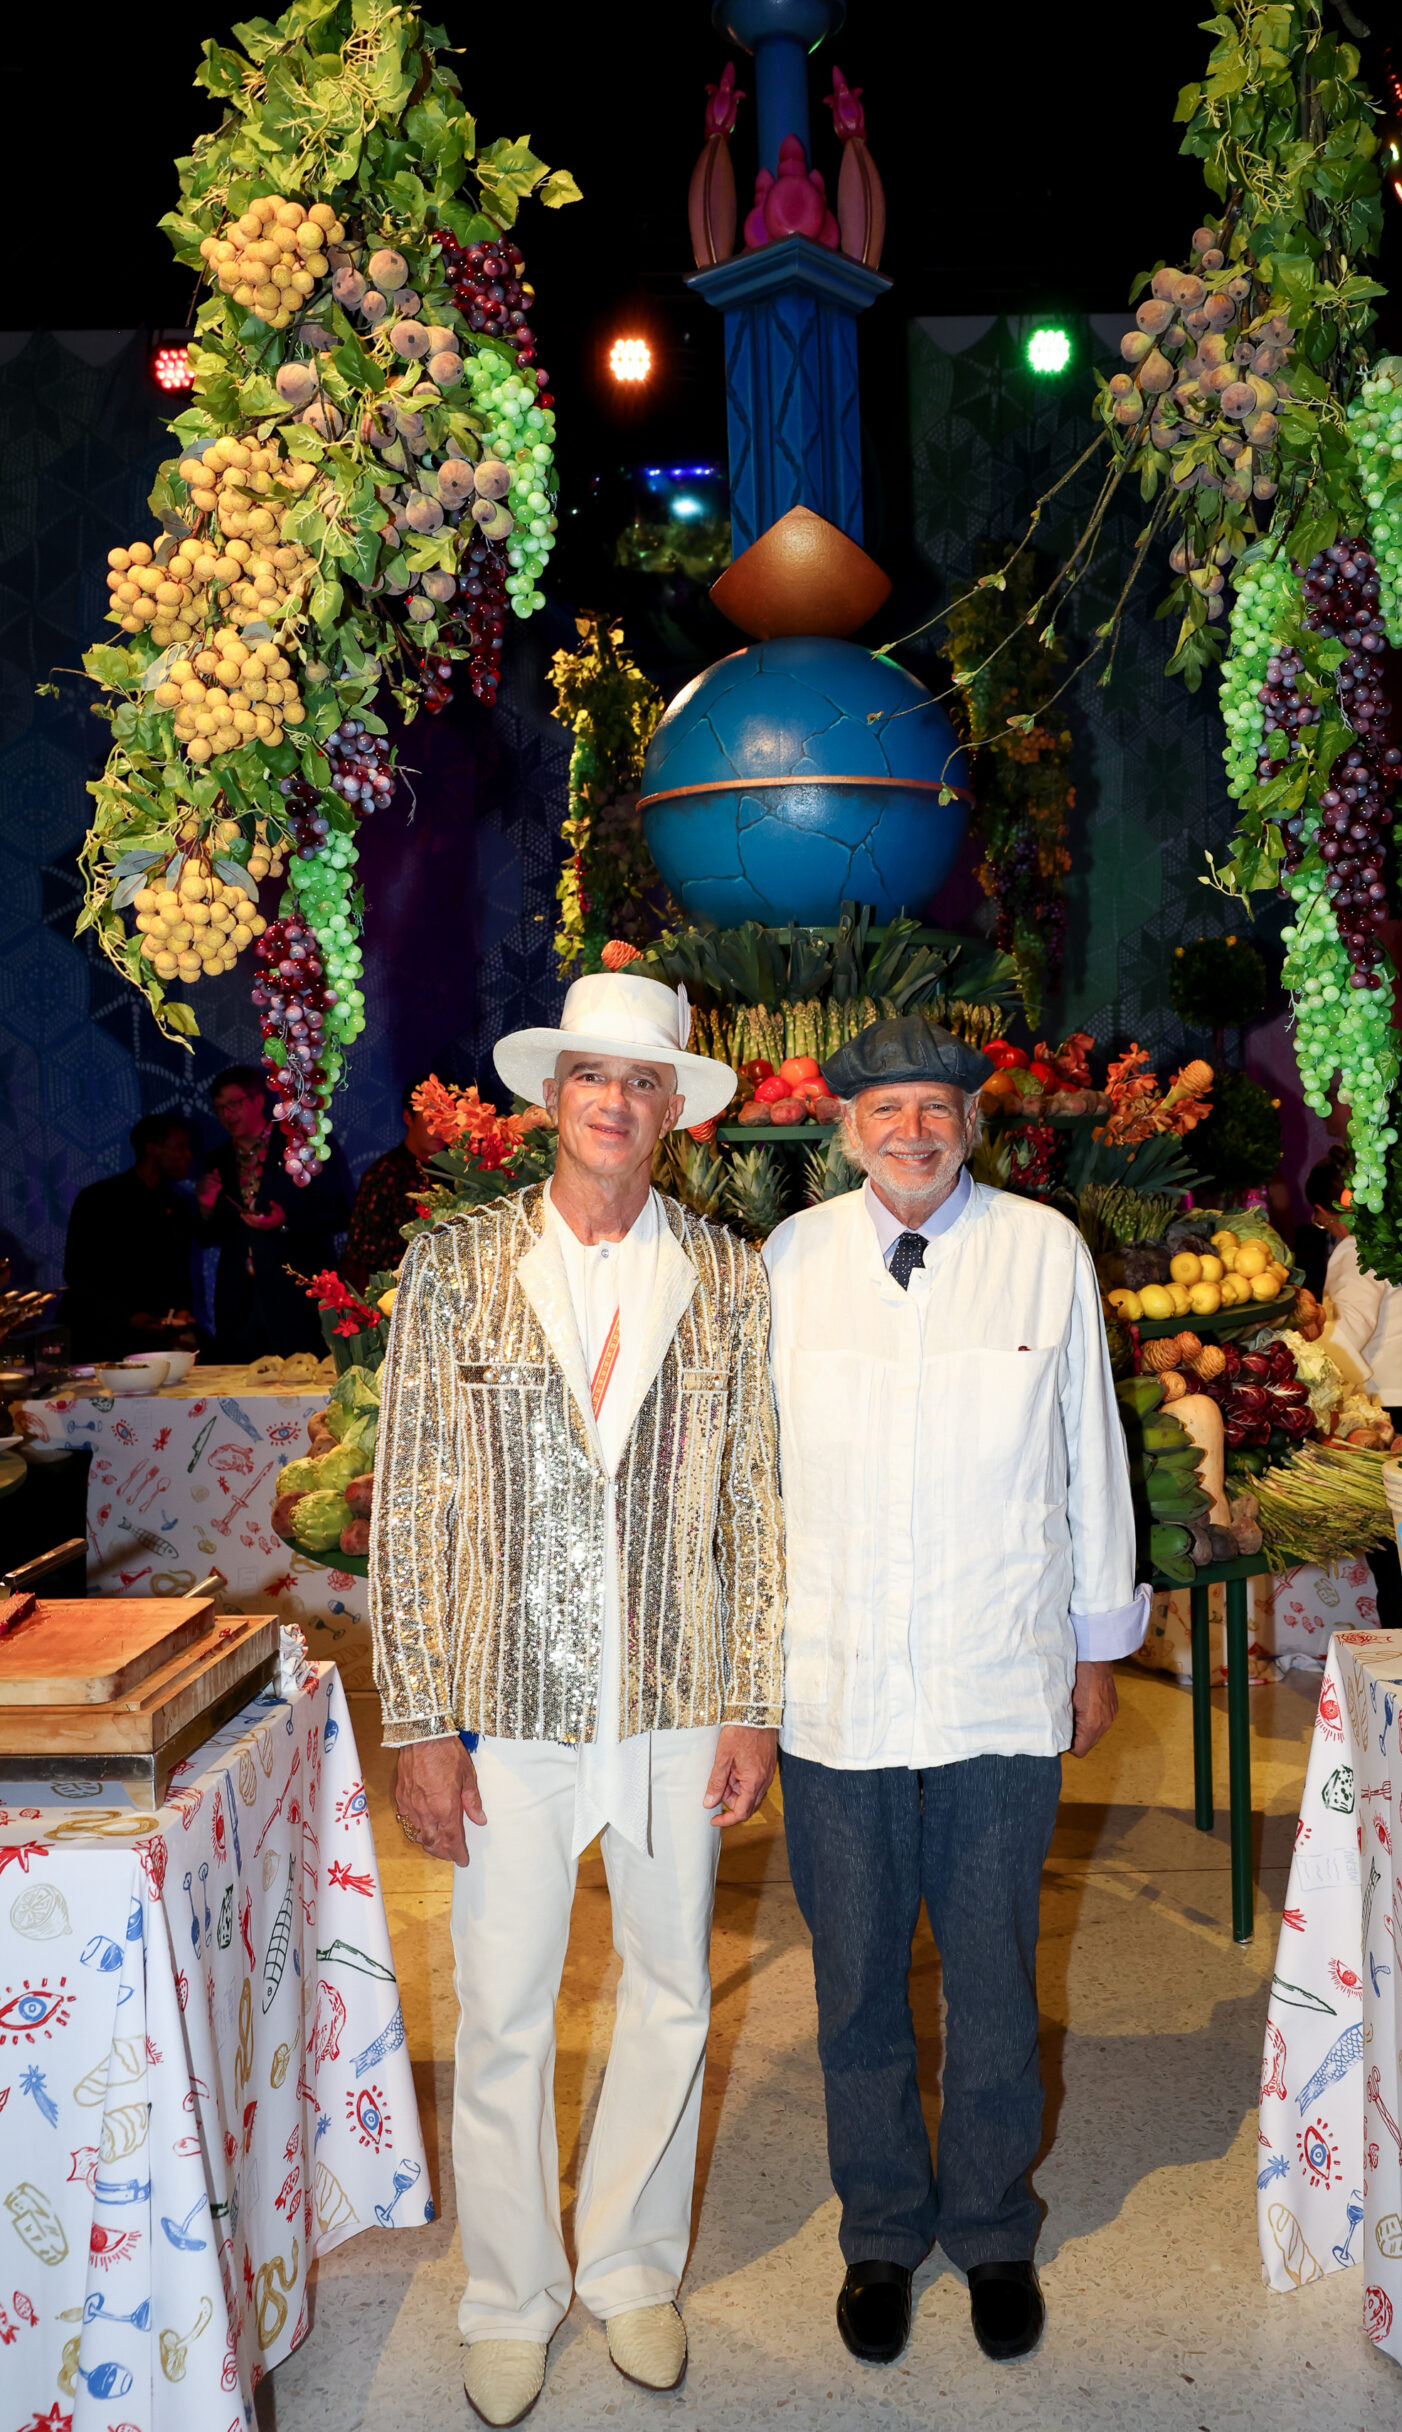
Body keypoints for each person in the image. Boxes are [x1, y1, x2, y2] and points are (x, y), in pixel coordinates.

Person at [370, 971, 785, 2426]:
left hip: (676, 1696)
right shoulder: (455, 1264)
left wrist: (753, 1699)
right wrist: (417, 1717)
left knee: (671, 1993)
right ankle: (506, 2295)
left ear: (675, 1113)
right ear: (553, 1100)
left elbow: (755, 1497)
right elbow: (409, 1504)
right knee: (501, 2005)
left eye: (646, 1081)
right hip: (506, 1704)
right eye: (593, 1077)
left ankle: (626, 2270)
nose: (617, 1102)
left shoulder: (730, 1273)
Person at [762, 1015, 1144, 2371]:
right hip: (837, 1682)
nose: (911, 1131)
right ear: (844, 1124)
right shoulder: (793, 1260)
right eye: (885, 1110)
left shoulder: (1041, 1251)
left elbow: (1088, 1456)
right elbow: (757, 1486)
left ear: (970, 1122)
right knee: (857, 1974)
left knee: (988, 1975)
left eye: (934, 1108)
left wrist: (1093, 1646)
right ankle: (879, 2230)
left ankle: (988, 2228)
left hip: (995, 1672)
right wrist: (750, 1676)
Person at [1307, 1153, 1402, 1627]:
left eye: (1321, 1219)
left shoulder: (1359, 1249)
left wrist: (1308, 1370)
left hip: (1389, 1412)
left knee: (1396, 1573)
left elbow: (1348, 1329)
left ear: (1332, 1212)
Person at [195, 1067, 351, 1362]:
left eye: (233, 1104)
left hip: (297, 1295)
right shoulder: (217, 1160)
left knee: (305, 1385)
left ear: (257, 1100)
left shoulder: (302, 1143)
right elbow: (206, 1238)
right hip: (241, 1301)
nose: (227, 1114)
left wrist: (285, 1223)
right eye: (219, 1108)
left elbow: (340, 1212)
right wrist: (204, 1206)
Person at [59, 1112, 200, 1361]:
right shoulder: (99, 1199)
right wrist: (127, 1315)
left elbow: (179, 1271)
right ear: (152, 1149)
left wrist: (182, 1311)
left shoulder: (177, 1204)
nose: (188, 1155)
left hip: (158, 1337)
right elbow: (78, 1272)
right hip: (101, 1336)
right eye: (180, 1147)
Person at [341, 1075, 454, 1288]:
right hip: (394, 1292)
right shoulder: (386, 1172)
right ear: (408, 1118)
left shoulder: (452, 1171)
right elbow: (361, 1246)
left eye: (444, 1119)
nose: (437, 1129)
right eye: (430, 1119)